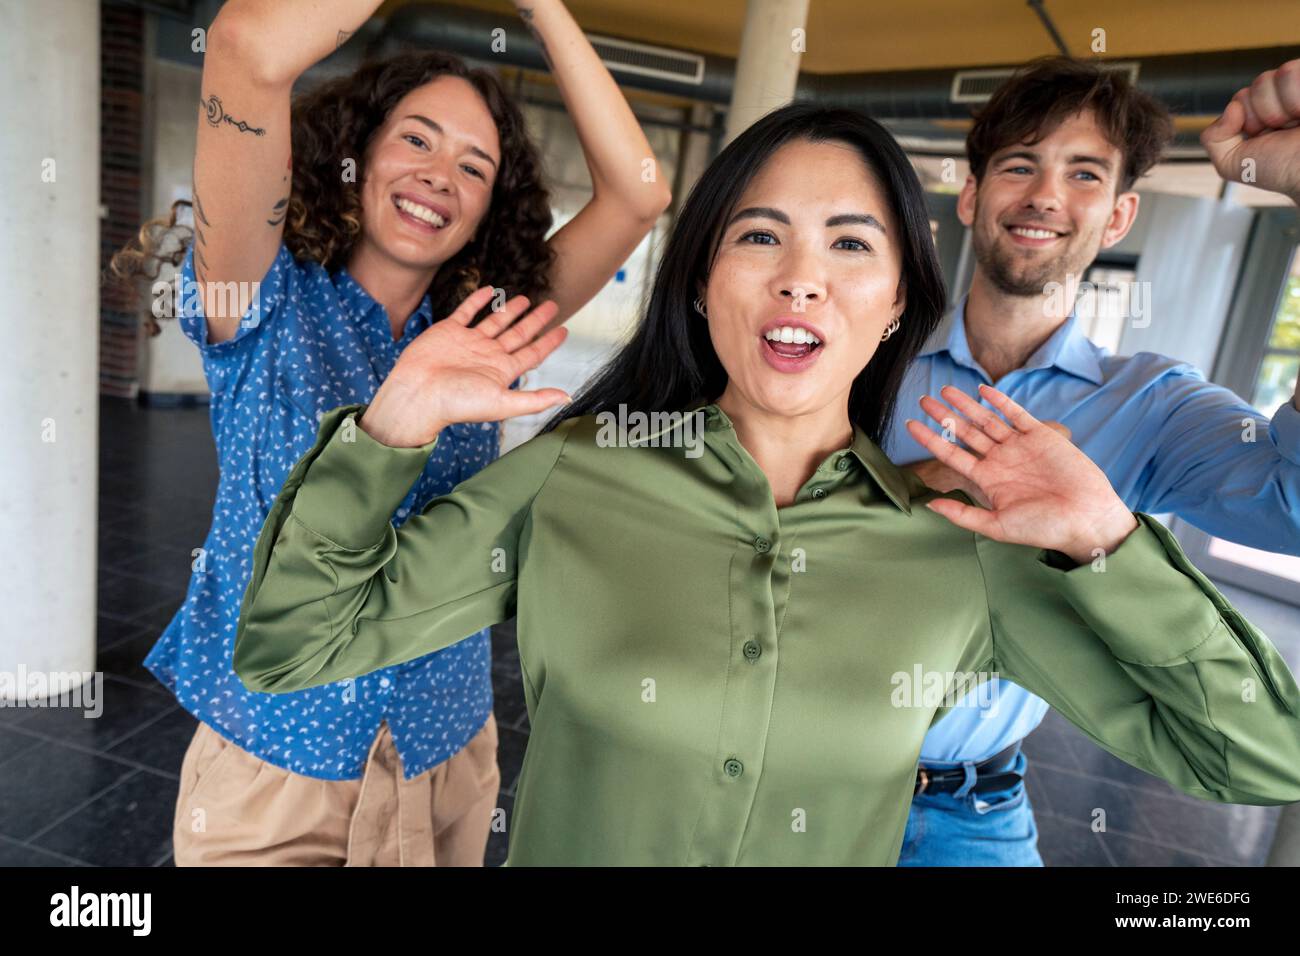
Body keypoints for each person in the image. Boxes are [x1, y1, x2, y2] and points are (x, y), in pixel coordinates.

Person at [230, 102, 1300, 866]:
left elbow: (1260, 753)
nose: (800, 275)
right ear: (701, 284)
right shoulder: (577, 473)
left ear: (895, 305)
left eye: (849, 242)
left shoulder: (960, 540)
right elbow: (291, 645)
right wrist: (386, 433)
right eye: (758, 236)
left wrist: (1111, 546)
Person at [108, 0, 670, 866]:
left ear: (488, 211)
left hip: (444, 755)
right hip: (276, 765)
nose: (442, 173)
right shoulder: (262, 298)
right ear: (356, 153)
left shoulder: (490, 327)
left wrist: (543, 7)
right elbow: (246, 48)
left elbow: (639, 194)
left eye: (475, 167)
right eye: (416, 140)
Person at [886, 56, 1300, 866]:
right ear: (972, 196)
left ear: (1118, 217)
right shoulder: (863, 362)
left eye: (1084, 174)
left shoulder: (1151, 405)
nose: (1044, 196)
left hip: (972, 811)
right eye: (1019, 166)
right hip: (798, 783)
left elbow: (1293, 505)